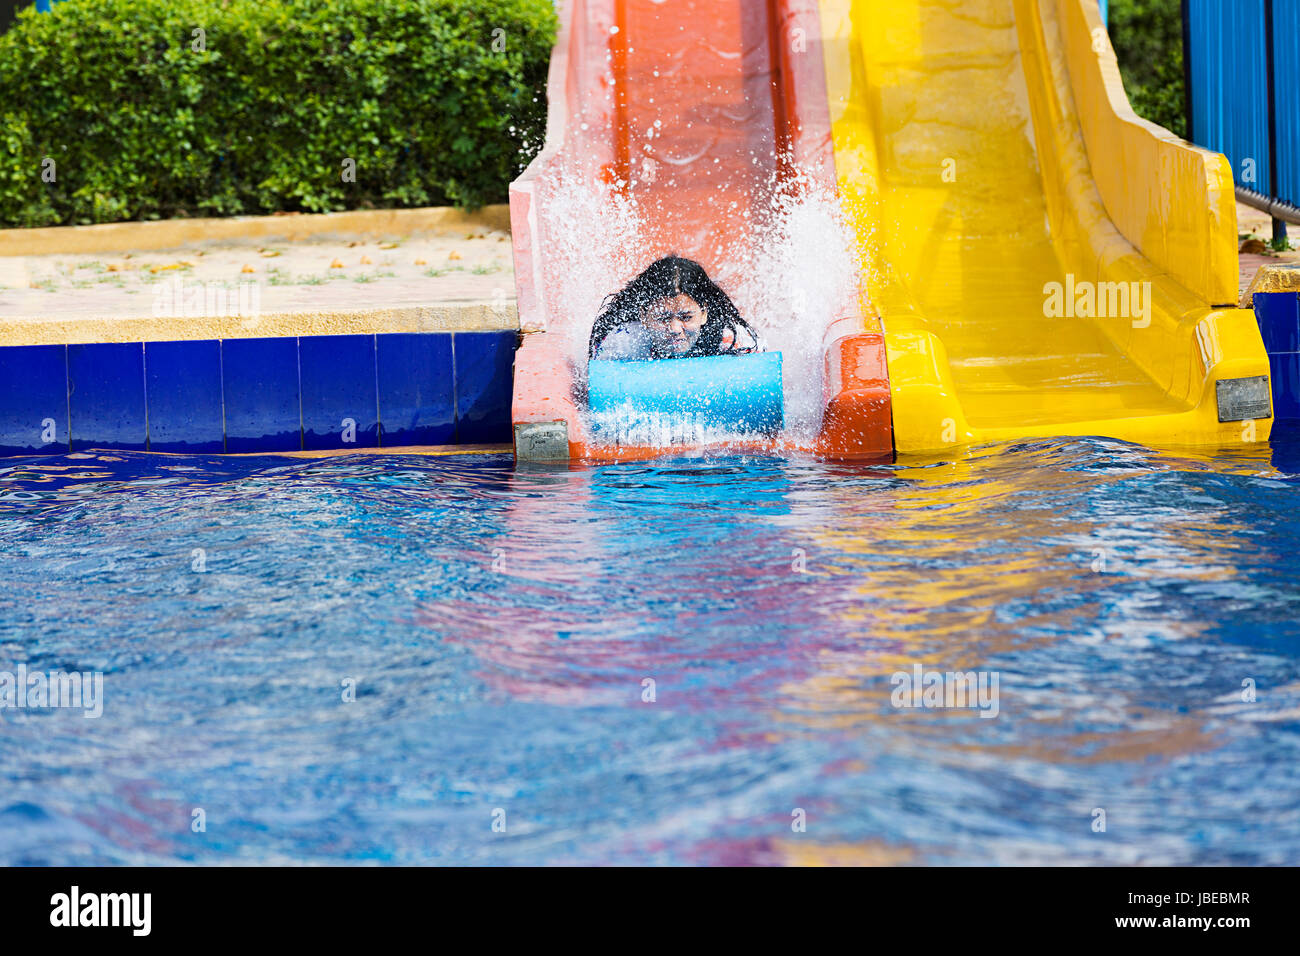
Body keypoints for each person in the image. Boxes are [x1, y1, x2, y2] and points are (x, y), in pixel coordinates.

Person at [588, 256, 762, 360]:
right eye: (663, 319)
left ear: (703, 314)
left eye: (686, 317)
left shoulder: (732, 340)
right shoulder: (624, 343)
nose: (674, 329)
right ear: (643, 317)